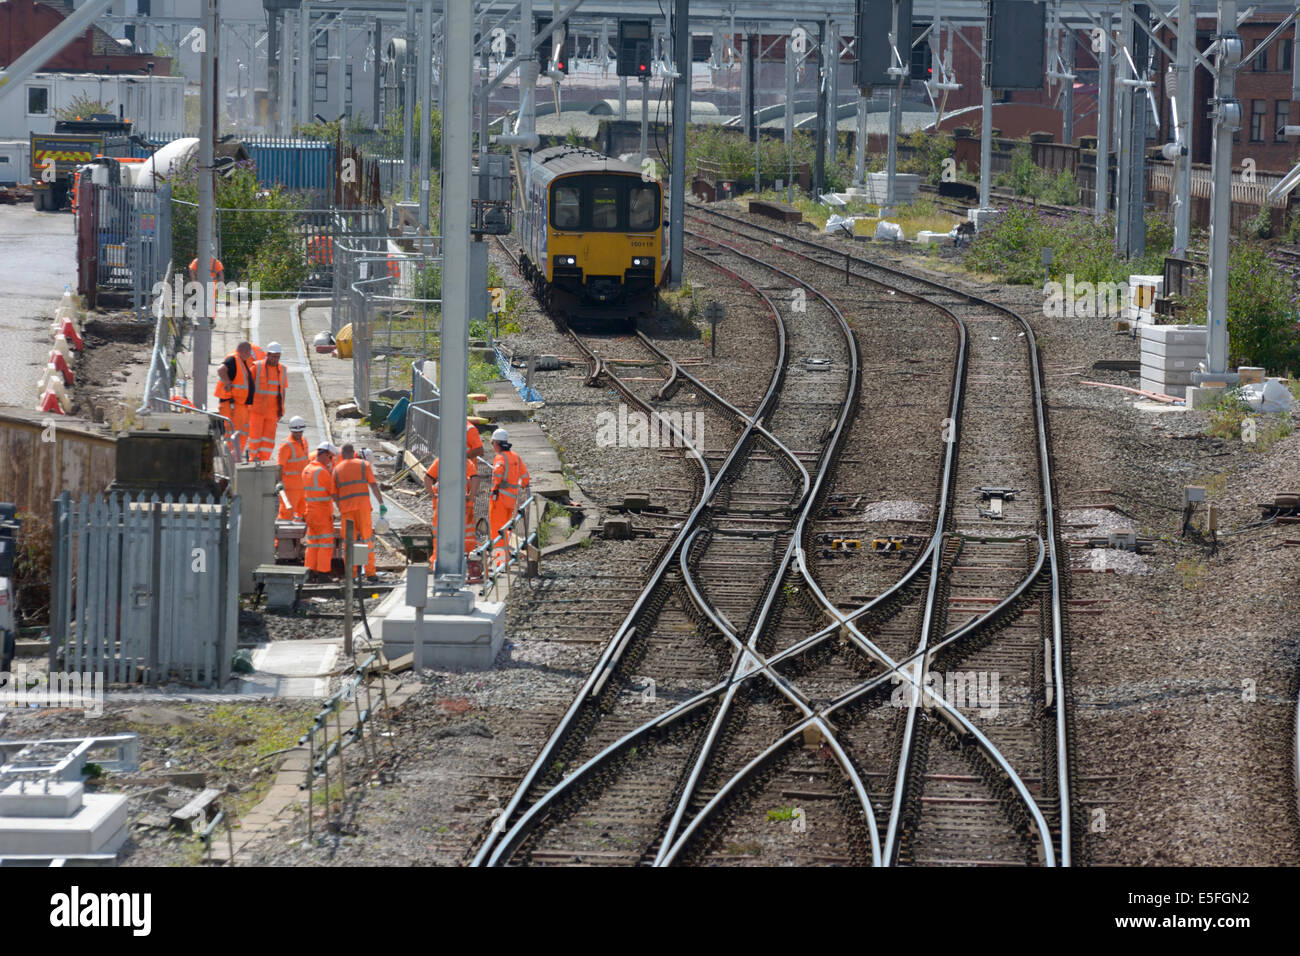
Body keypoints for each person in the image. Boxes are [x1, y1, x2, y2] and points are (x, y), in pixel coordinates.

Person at [333, 443, 384, 583]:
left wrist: (340, 507)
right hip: (363, 509)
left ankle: (352, 574)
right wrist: (381, 503)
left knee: (349, 542)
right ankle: (370, 573)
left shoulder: (337, 469)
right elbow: (373, 485)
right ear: (353, 452)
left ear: (342, 454)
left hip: (347, 512)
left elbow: (334, 493)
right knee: (366, 539)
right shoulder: (364, 465)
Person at [425, 453, 478, 565]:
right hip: (460, 503)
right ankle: (467, 561)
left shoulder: (441, 460)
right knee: (464, 534)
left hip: (443, 504)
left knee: (440, 535)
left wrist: (433, 495)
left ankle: (438, 561)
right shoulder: (466, 462)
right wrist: (470, 495)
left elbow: (427, 478)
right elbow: (475, 478)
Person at [488, 427, 530, 570]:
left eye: (492, 443)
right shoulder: (516, 457)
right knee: (506, 530)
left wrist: (495, 486)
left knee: (497, 532)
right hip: (511, 500)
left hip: (498, 500)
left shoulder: (500, 458)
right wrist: (523, 484)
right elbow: (525, 477)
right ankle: (504, 558)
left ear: (497, 444)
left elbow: (498, 474)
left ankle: (500, 563)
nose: (492, 446)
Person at [301, 443, 337, 582]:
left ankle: (310, 573)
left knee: (313, 543)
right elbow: (332, 492)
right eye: (331, 457)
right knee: (326, 543)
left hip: (310, 511)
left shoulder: (307, 469)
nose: (331, 461)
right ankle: (323, 573)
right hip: (322, 512)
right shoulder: (322, 472)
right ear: (325, 454)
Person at [247, 341, 288, 462]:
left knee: (269, 440)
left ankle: (264, 460)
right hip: (256, 411)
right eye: (274, 356)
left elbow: (282, 391)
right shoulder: (256, 367)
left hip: (273, 412)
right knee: (255, 438)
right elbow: (247, 387)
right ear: (268, 354)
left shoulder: (282, 370)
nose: (276, 359)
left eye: (278, 357)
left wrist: (281, 409)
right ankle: (253, 459)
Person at [215, 341, 255, 459]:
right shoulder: (233, 360)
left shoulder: (240, 362)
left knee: (239, 434)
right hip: (232, 405)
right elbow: (221, 369)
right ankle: (230, 459)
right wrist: (227, 382)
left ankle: (234, 458)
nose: (249, 355)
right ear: (245, 351)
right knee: (234, 434)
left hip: (238, 405)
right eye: (249, 352)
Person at [275, 416, 311, 520]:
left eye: (300, 432)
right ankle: (281, 537)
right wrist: (279, 482)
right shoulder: (286, 445)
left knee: (303, 514)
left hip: (303, 486)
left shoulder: (304, 441)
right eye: (296, 432)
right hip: (290, 488)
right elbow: (279, 466)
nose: (298, 434)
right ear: (291, 430)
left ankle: (296, 536)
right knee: (286, 514)